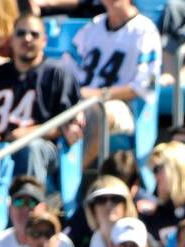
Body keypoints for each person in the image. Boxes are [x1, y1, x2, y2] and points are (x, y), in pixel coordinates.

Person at [0, 12, 83, 186]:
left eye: (34, 34)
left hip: (41, 150)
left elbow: (68, 126)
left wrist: (30, 133)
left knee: (30, 147)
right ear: (11, 40)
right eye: (20, 33)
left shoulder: (58, 74)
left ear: (44, 40)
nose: (27, 38)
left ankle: (27, 207)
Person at [69, 0, 161, 165]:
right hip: (82, 99)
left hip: (123, 105)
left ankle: (74, 174)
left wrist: (99, 95)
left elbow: (144, 86)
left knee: (102, 113)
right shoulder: (94, 26)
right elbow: (67, 66)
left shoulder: (145, 30)